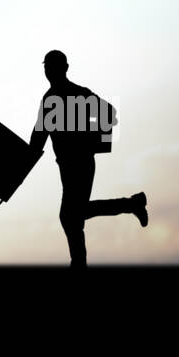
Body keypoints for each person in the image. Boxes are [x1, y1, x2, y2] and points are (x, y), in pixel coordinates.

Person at [29, 49, 147, 266]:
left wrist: (93, 141)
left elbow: (109, 113)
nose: (48, 70)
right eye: (46, 66)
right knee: (74, 215)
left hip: (80, 164)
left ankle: (79, 263)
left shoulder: (76, 94)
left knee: (70, 217)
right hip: (68, 165)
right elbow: (39, 134)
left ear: (64, 68)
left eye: (52, 66)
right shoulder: (56, 98)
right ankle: (132, 204)